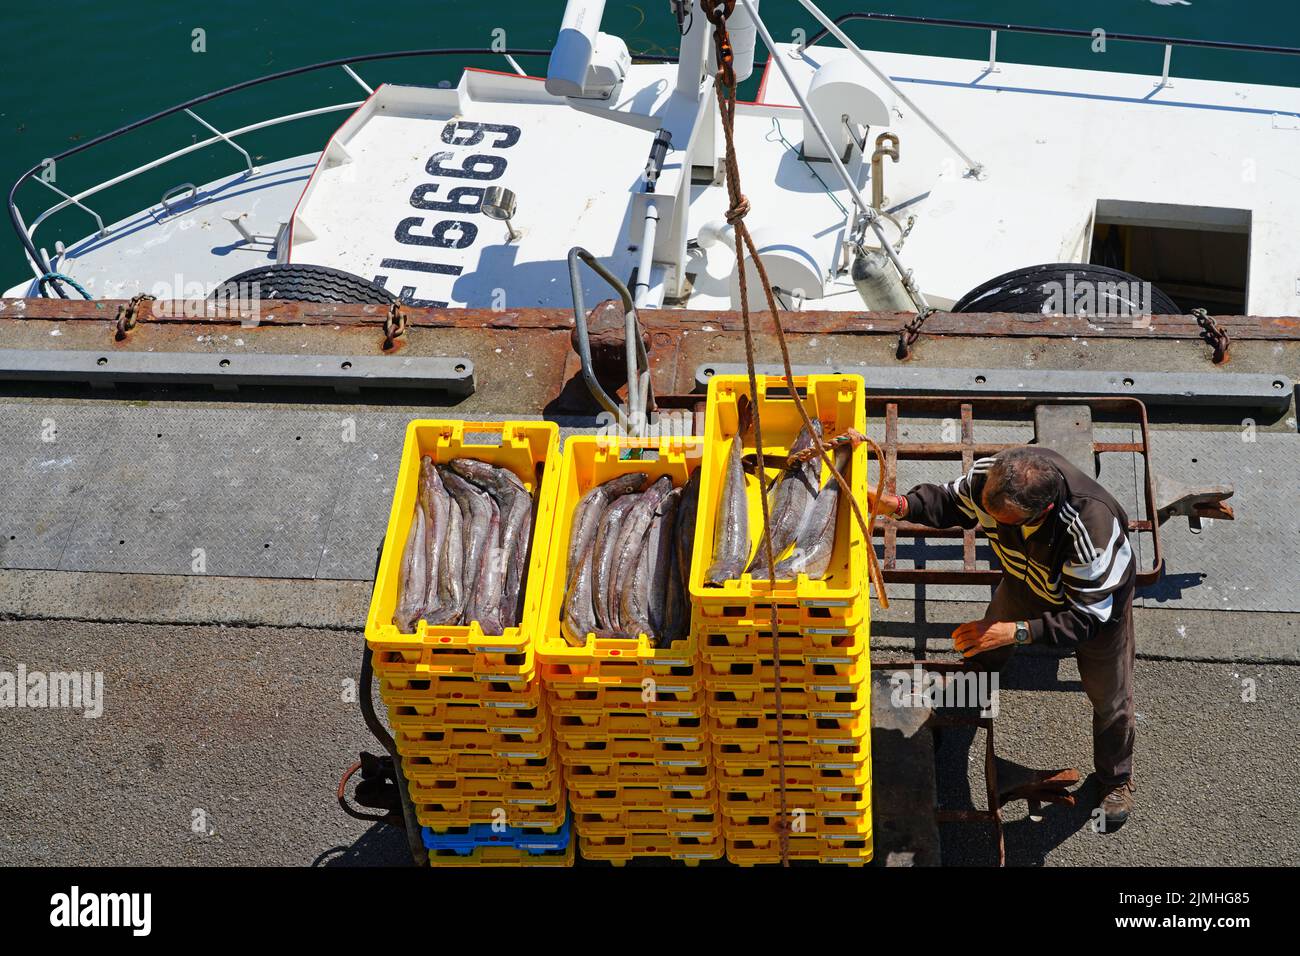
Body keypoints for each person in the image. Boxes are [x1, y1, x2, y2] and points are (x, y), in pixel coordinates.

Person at [872, 446, 1137, 828]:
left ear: (1041, 512)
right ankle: (962, 703)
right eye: (988, 512)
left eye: (1004, 520)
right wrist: (897, 504)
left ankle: (1116, 778)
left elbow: (1087, 618)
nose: (991, 523)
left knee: (1110, 696)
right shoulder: (989, 476)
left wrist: (1016, 631)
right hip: (1022, 580)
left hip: (1090, 607)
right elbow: (950, 502)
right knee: (983, 647)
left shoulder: (1090, 530)